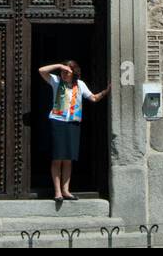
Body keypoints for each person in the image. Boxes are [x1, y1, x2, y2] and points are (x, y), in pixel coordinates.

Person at [38, 60, 109, 202]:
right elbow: (41, 70)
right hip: (58, 122)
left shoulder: (80, 85)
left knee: (68, 159)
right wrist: (59, 66)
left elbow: (93, 98)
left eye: (67, 72)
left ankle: (66, 190)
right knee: (57, 158)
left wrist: (106, 91)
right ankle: (57, 192)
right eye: (62, 71)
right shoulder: (56, 81)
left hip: (73, 124)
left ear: (74, 73)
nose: (64, 74)